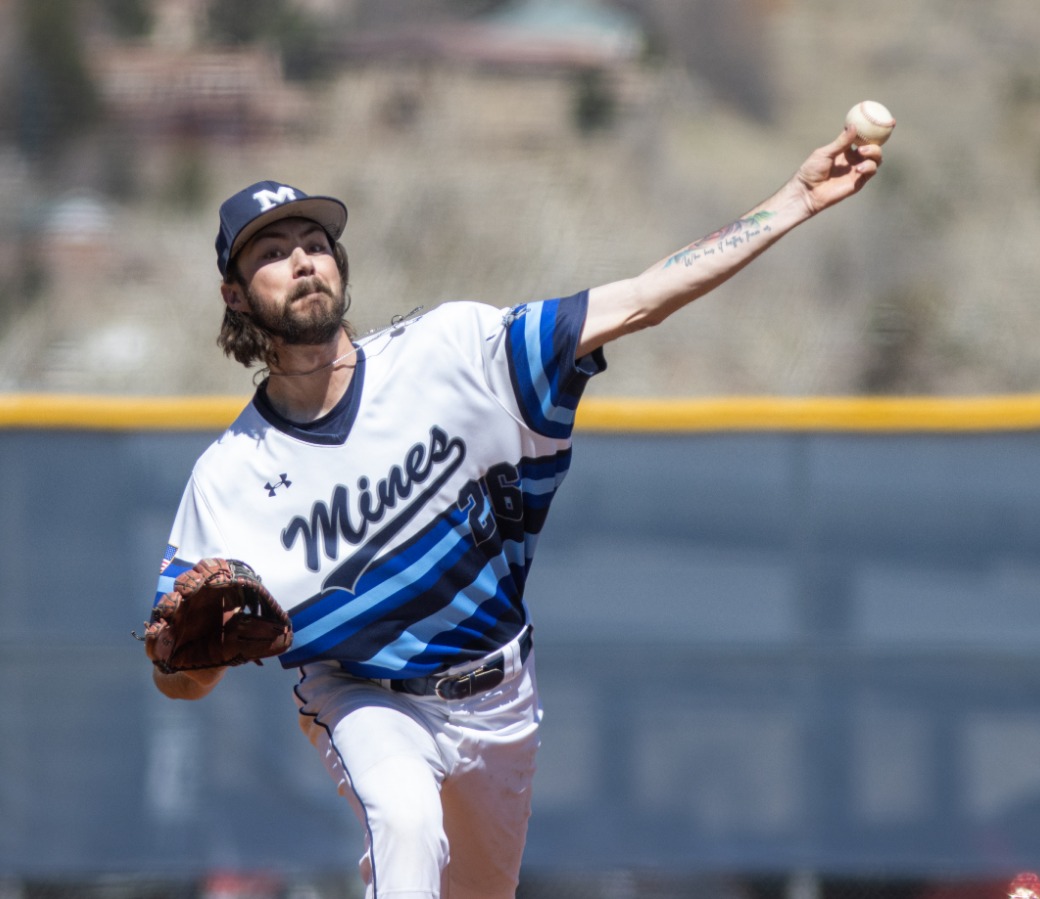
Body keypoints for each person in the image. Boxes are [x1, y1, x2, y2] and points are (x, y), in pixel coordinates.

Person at [149, 123, 883, 899]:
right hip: (361, 694)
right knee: (402, 821)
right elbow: (180, 678)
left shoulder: (453, 350)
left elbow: (639, 300)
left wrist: (795, 200)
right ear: (234, 295)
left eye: (314, 241)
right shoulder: (229, 475)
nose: (302, 258)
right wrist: (187, 665)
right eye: (270, 251)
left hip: (499, 696)